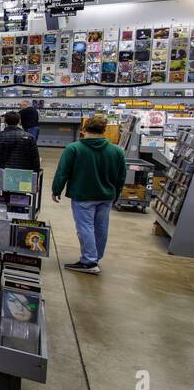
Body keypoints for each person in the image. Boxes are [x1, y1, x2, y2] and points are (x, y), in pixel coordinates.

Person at [52, 114, 126, 275]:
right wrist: (117, 194)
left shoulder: (74, 148)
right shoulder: (117, 151)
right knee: (101, 227)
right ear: (104, 130)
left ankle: (89, 261)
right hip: (106, 196)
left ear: (84, 129)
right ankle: (96, 257)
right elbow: (121, 177)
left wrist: (56, 190)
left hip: (83, 195)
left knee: (85, 227)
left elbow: (63, 172)